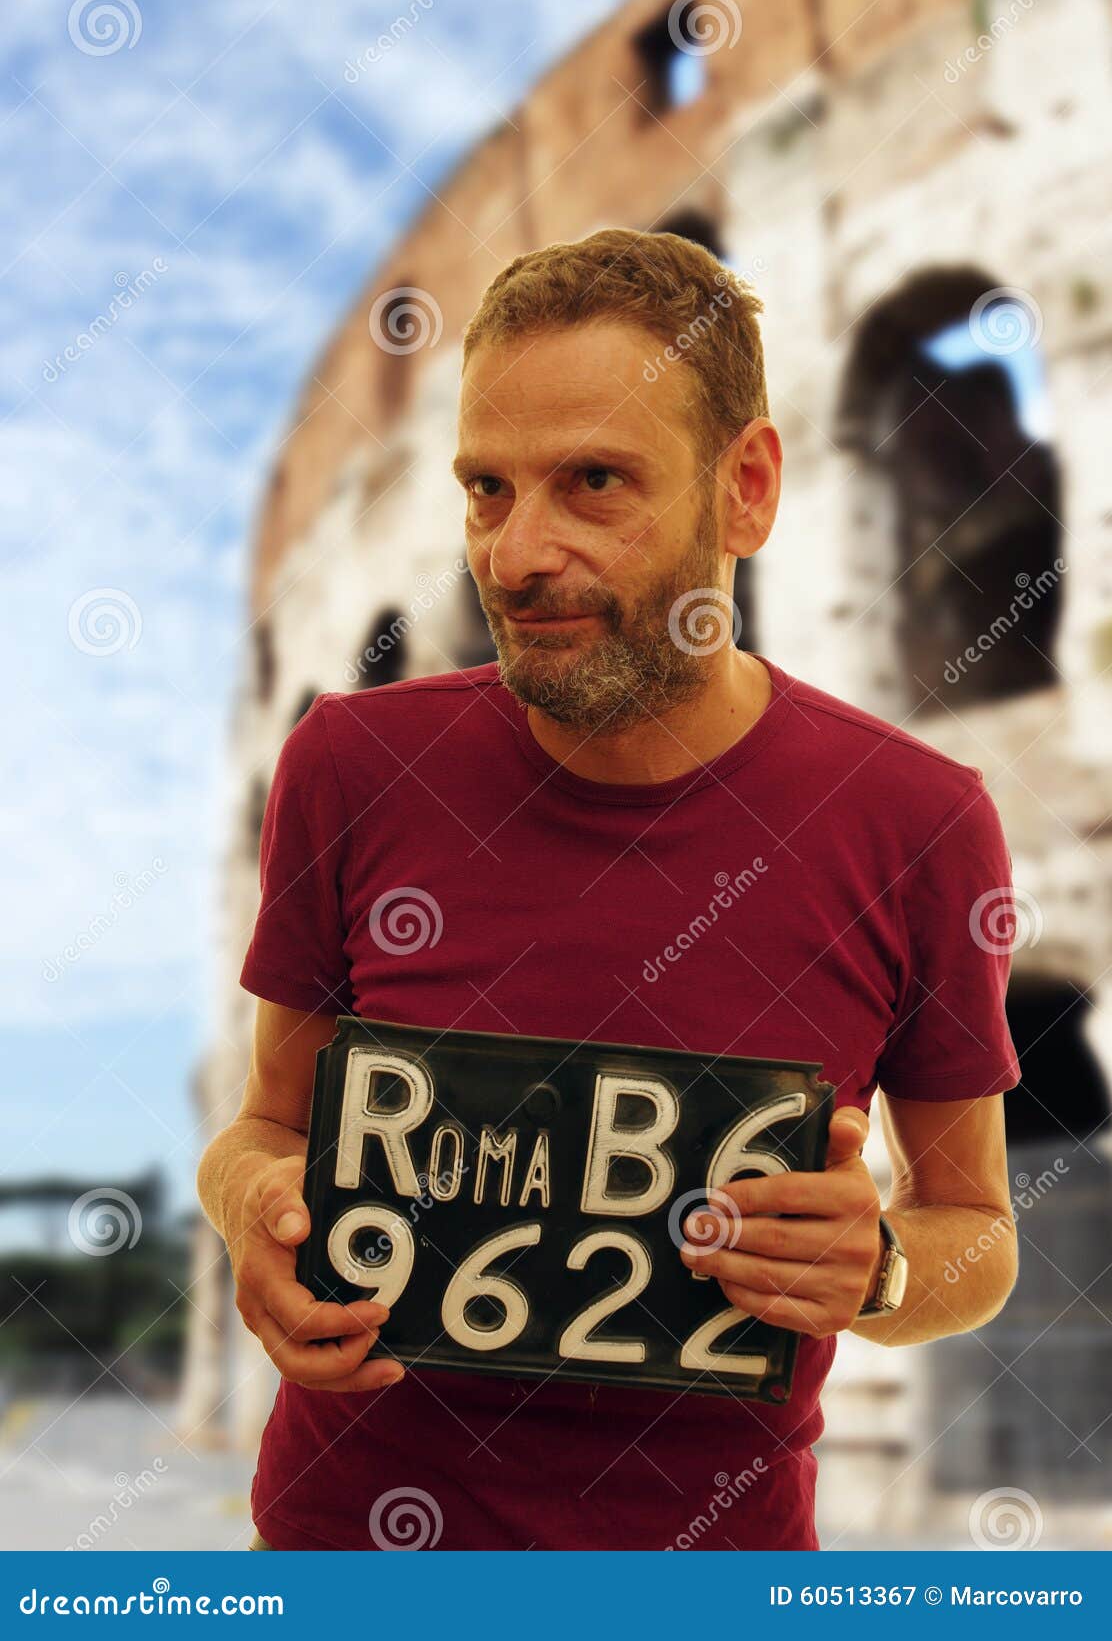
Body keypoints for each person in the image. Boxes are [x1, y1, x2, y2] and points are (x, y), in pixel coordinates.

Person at [197, 228, 1020, 1551]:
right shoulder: (351, 765)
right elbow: (263, 1128)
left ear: (745, 489)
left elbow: (977, 1229)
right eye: (486, 490)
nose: (519, 554)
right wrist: (256, 1212)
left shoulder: (921, 824)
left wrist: (885, 1269)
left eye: (592, 482)